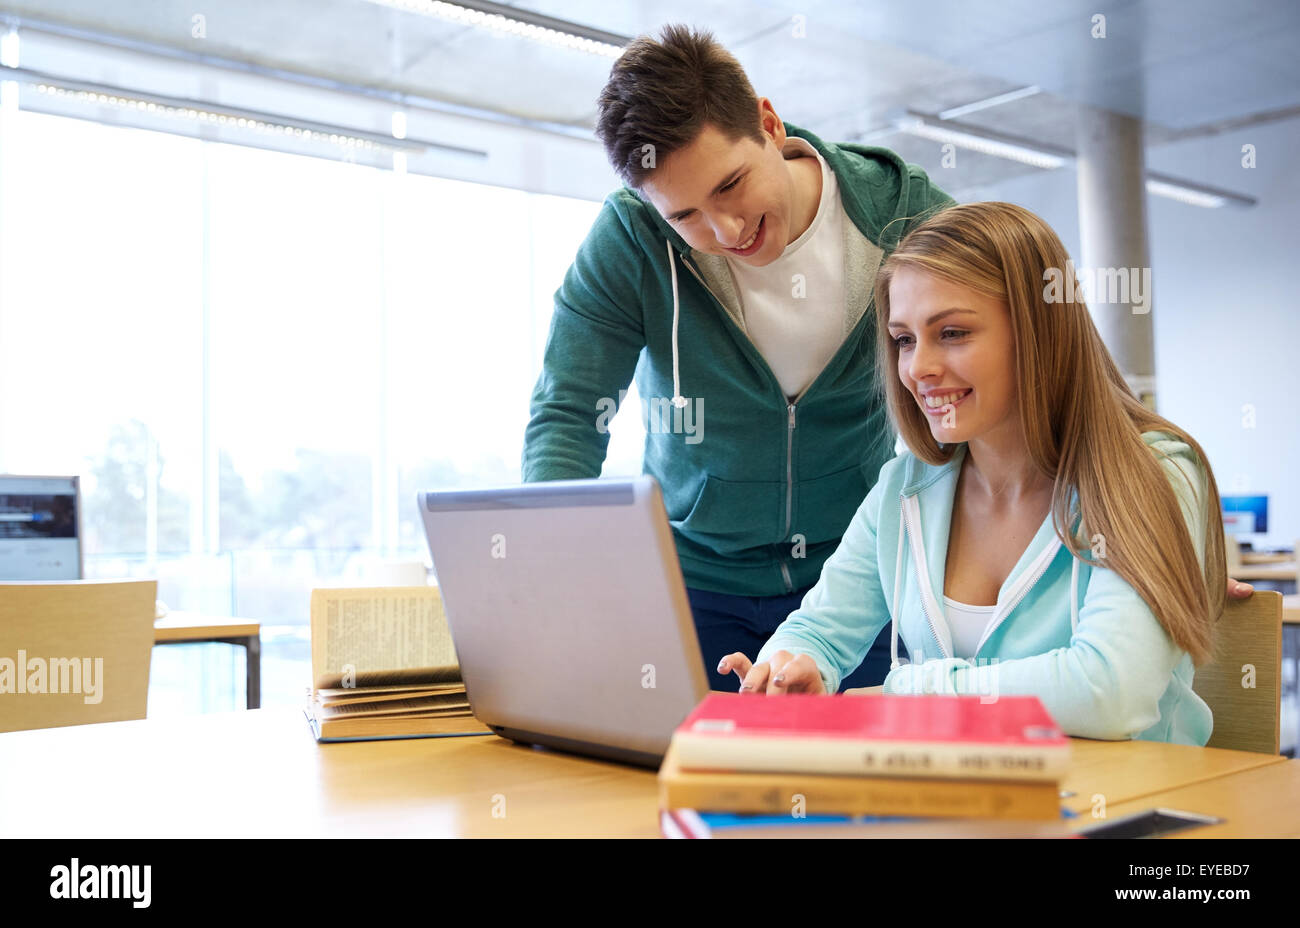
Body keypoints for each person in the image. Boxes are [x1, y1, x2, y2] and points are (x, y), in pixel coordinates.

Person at [522, 24, 954, 690]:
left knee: (849, 784)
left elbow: (1007, 361)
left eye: (730, 185)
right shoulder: (630, 241)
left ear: (769, 124)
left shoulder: (903, 216)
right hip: (693, 591)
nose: (725, 231)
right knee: (684, 782)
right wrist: (556, 578)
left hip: (854, 590)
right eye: (686, 214)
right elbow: (569, 413)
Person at [720, 202, 1228, 745]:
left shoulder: (1155, 473)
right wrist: (788, 669)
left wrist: (912, 690)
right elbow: (817, 629)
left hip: (1124, 814)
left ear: (1038, 332)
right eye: (904, 339)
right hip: (962, 807)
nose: (918, 368)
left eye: (953, 333)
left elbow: (1109, 691)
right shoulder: (906, 487)